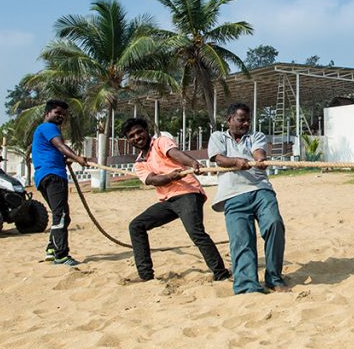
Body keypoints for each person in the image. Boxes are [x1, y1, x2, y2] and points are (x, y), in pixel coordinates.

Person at [123, 118, 231, 282]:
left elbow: (175, 153)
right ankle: (146, 276)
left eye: (139, 132)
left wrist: (192, 162)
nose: (137, 137)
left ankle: (220, 273)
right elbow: (153, 180)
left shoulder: (160, 142)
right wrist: (169, 177)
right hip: (167, 201)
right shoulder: (139, 164)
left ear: (146, 131)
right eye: (132, 136)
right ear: (128, 140)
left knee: (196, 233)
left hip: (187, 193)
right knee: (136, 226)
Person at [208, 103, 290, 294]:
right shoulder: (218, 137)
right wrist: (236, 162)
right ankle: (247, 286)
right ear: (229, 120)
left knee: (275, 224)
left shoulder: (256, 136)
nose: (245, 124)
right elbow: (219, 159)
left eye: (248, 120)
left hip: (260, 190)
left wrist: (260, 160)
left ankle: (274, 278)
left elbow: (258, 151)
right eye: (241, 120)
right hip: (233, 195)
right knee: (242, 239)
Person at [31, 99, 89, 267]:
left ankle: (51, 250)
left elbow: (51, 151)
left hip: (44, 176)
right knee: (61, 215)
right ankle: (61, 256)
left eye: (63, 114)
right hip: (53, 176)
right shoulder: (49, 127)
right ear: (47, 113)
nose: (61, 117)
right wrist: (77, 158)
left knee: (61, 215)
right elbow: (61, 146)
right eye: (57, 113)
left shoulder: (42, 130)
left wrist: (64, 160)